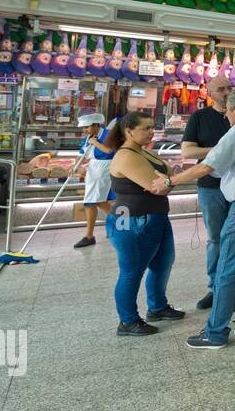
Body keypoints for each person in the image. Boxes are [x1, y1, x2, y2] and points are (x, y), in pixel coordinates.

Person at [162, 90, 235, 348]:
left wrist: (170, 181)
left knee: (227, 269)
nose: (226, 115)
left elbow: (207, 166)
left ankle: (215, 332)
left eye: (227, 110)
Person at [105, 112, 185, 336]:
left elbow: (168, 175)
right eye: (146, 128)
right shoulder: (127, 156)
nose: (151, 132)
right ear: (129, 132)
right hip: (132, 220)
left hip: (155, 216)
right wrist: (167, 179)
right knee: (132, 271)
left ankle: (157, 307)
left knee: (162, 264)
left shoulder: (143, 152)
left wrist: (167, 178)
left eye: (152, 127)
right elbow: (159, 186)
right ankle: (128, 321)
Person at [183, 75, 233, 311]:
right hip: (211, 188)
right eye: (221, 89)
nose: (226, 92)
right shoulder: (200, 117)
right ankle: (215, 287)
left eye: (230, 88)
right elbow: (187, 151)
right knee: (215, 238)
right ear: (209, 93)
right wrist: (218, 151)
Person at [73, 113, 115, 249]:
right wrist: (76, 166)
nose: (84, 131)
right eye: (83, 128)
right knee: (97, 200)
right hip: (93, 169)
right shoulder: (88, 138)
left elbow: (109, 150)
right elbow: (81, 155)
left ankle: (89, 236)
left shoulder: (109, 134)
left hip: (105, 168)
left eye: (87, 127)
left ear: (97, 125)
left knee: (91, 201)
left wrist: (95, 142)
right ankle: (121, 220)